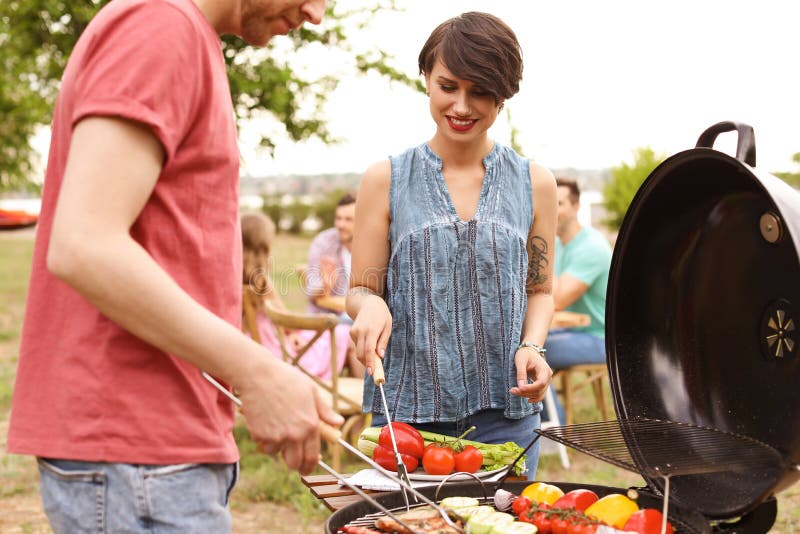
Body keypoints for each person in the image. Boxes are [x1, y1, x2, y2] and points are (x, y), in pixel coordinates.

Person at [6, 0, 342, 532]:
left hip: (151, 459)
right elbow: (85, 245)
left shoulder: (183, 34)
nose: (316, 13)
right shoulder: (161, 28)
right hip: (135, 457)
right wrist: (257, 372)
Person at [345, 12, 557, 480]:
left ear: (503, 95)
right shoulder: (385, 179)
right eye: (448, 86)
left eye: (480, 91)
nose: (461, 106)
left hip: (507, 413)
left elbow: (540, 290)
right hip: (406, 416)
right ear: (426, 78)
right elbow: (360, 289)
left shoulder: (535, 183)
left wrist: (533, 346)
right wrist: (369, 304)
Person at [242, 211, 359, 380]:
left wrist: (291, 334)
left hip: (255, 350)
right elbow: (286, 319)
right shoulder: (262, 282)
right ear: (263, 248)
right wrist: (297, 331)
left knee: (340, 333)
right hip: (280, 356)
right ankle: (364, 393)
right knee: (347, 334)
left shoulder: (235, 281)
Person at [544, 177, 613, 423]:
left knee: (533, 350)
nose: (552, 210)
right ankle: (543, 423)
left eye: (559, 203)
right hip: (573, 331)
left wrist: (543, 245)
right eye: (549, 203)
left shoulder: (591, 247)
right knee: (524, 344)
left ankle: (555, 429)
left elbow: (557, 300)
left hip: (601, 338)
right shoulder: (558, 244)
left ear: (576, 207)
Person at [305, 192, 356, 318]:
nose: (341, 225)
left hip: (361, 319)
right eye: (338, 218)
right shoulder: (323, 242)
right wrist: (324, 285)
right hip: (329, 318)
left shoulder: (372, 246)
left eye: (348, 219)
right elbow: (311, 290)